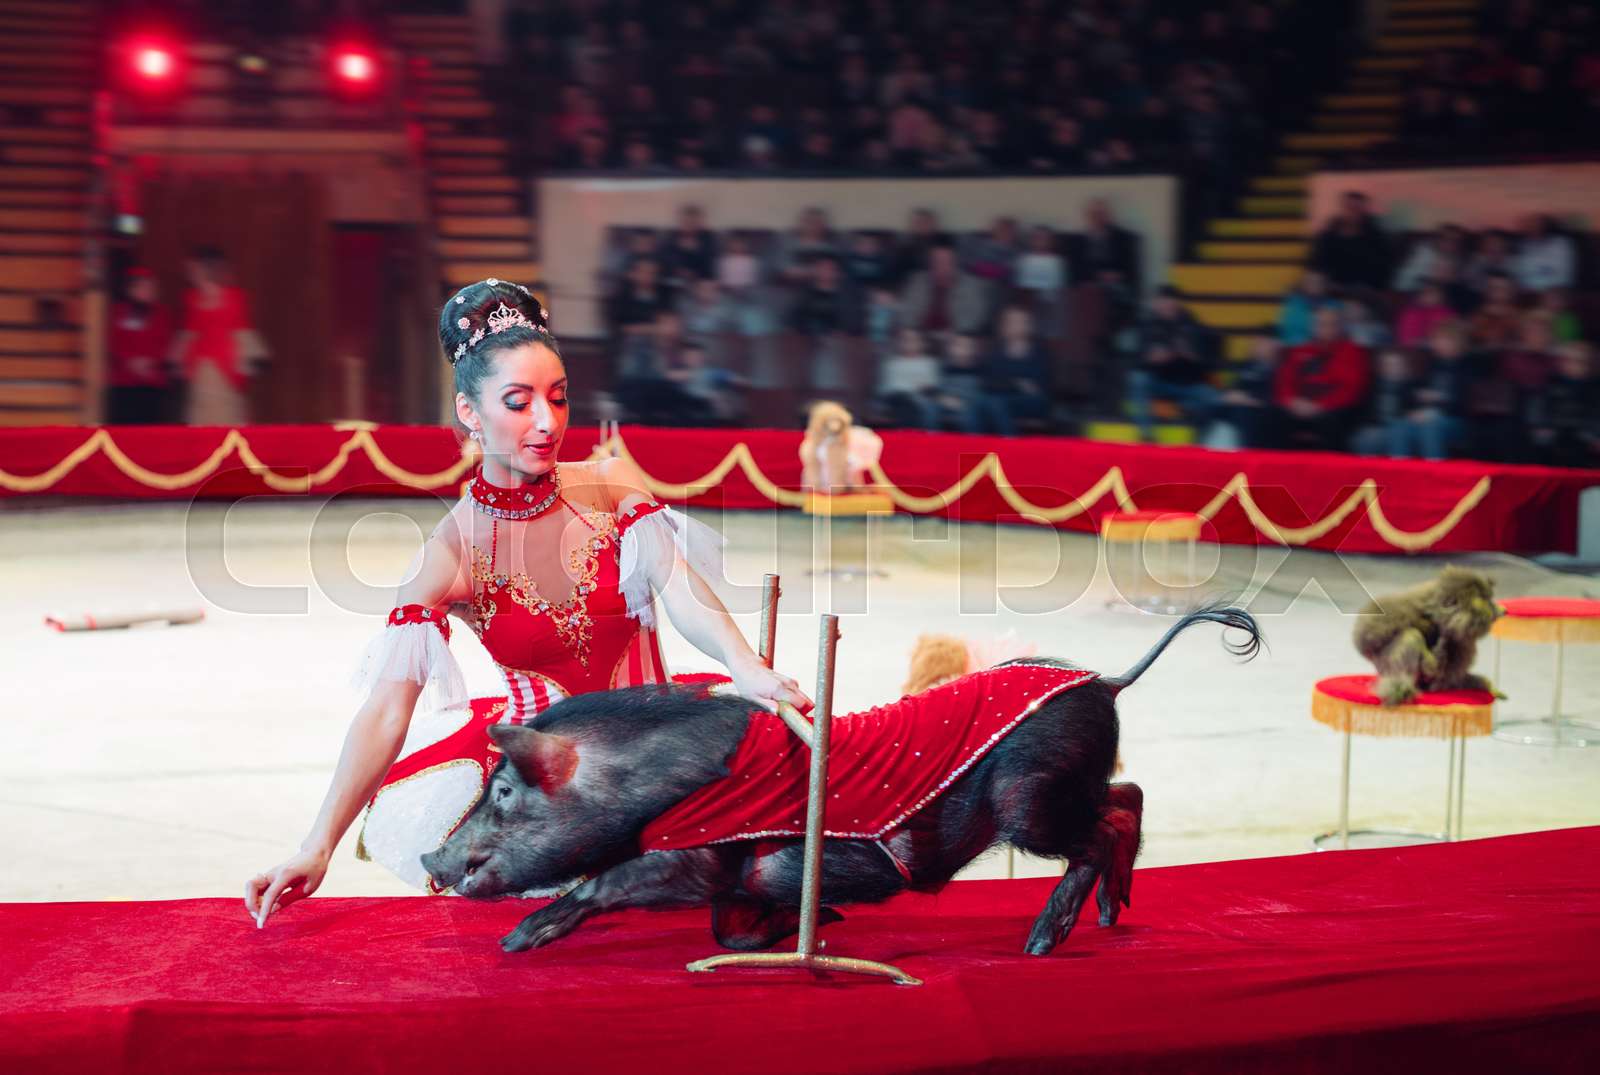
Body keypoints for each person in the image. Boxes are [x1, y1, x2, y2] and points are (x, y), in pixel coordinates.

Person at [244, 280, 808, 922]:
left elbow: (678, 583)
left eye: (559, 397)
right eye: (519, 402)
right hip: (557, 795)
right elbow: (384, 713)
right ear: (469, 411)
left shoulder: (609, 484)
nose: (548, 421)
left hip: (662, 752)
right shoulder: (449, 555)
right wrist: (316, 846)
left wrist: (744, 664)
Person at [171, 246, 263, 426]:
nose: (189, 273)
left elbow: (242, 328)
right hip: (200, 366)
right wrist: (176, 360)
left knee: (227, 414)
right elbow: (189, 332)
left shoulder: (235, 297)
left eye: (193, 268)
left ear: (206, 269)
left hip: (227, 364)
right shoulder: (191, 298)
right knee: (200, 414)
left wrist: (250, 359)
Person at [1273, 306, 1372, 450]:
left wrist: (1321, 406)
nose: (1326, 329)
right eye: (1321, 324)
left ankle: (1330, 470)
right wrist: (1291, 401)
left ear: (1339, 327)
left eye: (1331, 324)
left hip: (1333, 409)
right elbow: (1284, 381)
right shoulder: (1300, 351)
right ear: (1313, 327)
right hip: (1299, 407)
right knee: (1272, 417)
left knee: (1332, 422)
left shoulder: (1353, 352)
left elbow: (1352, 390)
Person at [1127, 285, 1215, 442]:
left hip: (1187, 383)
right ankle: (1146, 435)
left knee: (1213, 398)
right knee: (1138, 379)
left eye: (1170, 303)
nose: (1166, 306)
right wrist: (1152, 359)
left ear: (1177, 305)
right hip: (1159, 381)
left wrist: (1190, 355)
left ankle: (1198, 441)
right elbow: (1138, 360)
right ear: (1156, 304)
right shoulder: (1148, 326)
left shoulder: (1192, 326)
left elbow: (1205, 363)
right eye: (1162, 303)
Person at [106, 267, 175, 425]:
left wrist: (151, 363)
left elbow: (168, 343)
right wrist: (130, 362)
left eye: (151, 287)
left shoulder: (162, 313)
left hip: (153, 384)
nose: (149, 291)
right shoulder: (118, 312)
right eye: (144, 287)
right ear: (131, 289)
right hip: (124, 384)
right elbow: (112, 341)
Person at [1309, 191, 1391, 292]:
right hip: (1329, 287)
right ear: (1342, 209)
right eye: (1348, 208)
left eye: (1356, 209)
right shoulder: (1328, 236)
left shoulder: (1375, 237)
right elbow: (1316, 264)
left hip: (1361, 290)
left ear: (1363, 211)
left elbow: (1382, 269)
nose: (1352, 213)